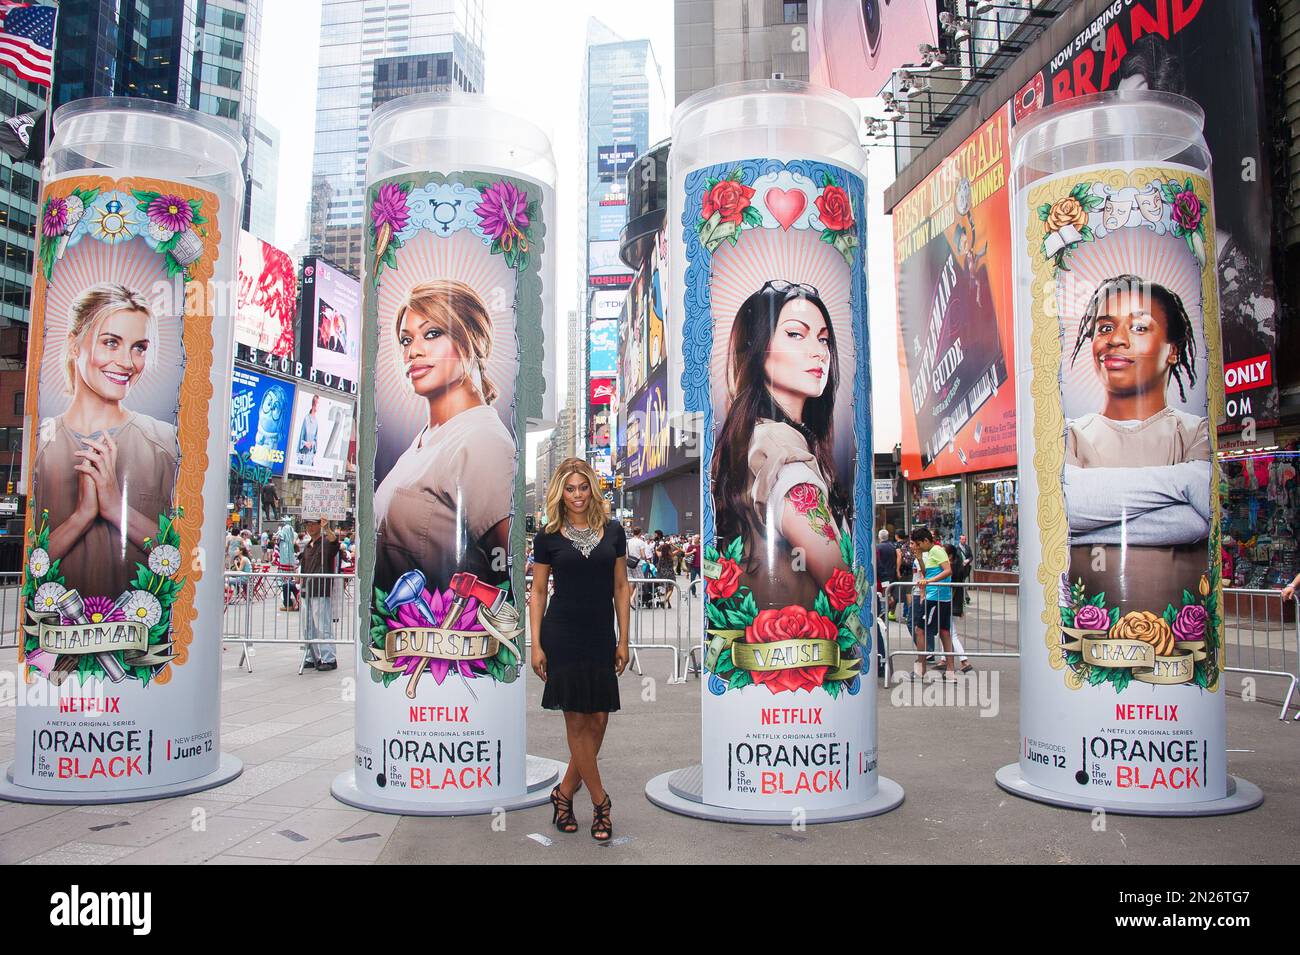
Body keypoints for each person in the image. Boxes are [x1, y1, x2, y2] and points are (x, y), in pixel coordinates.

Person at [1063, 275, 1211, 619]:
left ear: (1172, 350)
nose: (1115, 340)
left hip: (1179, 643)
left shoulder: (1193, 431)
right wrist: (1182, 482)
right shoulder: (1071, 434)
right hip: (1091, 641)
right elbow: (1066, 509)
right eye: (1104, 328)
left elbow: (1200, 522)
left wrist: (1095, 525)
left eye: (1139, 328)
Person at [712, 280, 852, 611]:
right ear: (757, 347)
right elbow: (840, 580)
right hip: (801, 649)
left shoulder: (751, 436)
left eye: (823, 339)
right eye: (795, 334)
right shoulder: (782, 451)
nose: (818, 351)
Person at [35, 284, 179, 600]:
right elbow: (36, 564)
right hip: (60, 640)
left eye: (139, 347)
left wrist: (115, 508)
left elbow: (179, 555)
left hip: (140, 639)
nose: (127, 362)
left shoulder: (164, 443)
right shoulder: (43, 444)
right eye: (111, 343)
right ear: (75, 344)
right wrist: (82, 516)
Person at [372, 279, 513, 599]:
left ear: (471, 339)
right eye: (406, 339)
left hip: (453, 639)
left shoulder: (482, 441)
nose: (414, 350)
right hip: (401, 639)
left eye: (432, 333)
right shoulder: (422, 441)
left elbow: (505, 573)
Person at [530, 458, 630, 842]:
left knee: (599, 719)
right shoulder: (548, 536)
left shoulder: (614, 532)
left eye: (582, 487)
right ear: (561, 492)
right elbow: (538, 592)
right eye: (569, 489)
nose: (576, 495)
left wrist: (623, 639)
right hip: (563, 634)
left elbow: (621, 587)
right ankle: (601, 803)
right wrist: (536, 643)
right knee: (576, 721)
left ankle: (563, 793)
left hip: (601, 633)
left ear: (593, 489)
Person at [910, 527, 959, 680]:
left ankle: (921, 668)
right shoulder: (931, 553)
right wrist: (919, 559)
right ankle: (950, 670)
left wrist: (929, 582)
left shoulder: (937, 550)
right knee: (944, 632)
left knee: (920, 630)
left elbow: (947, 570)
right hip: (940, 596)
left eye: (918, 544)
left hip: (935, 597)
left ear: (926, 541)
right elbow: (928, 573)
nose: (917, 547)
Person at [298, 517, 339, 671]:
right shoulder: (308, 545)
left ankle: (329, 657)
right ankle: (311, 656)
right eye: (308, 524)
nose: (310, 527)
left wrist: (326, 528)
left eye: (312, 524)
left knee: (322, 625)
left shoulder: (326, 543)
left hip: (320, 589)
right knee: (308, 626)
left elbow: (334, 542)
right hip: (306, 590)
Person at [296, 394, 320, 469]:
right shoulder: (306, 419)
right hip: (304, 455)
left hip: (310, 456)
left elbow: (315, 439)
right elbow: (301, 438)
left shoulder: (316, 421)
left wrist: (312, 443)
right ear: (314, 404)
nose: (319, 406)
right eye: (318, 403)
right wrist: (305, 443)